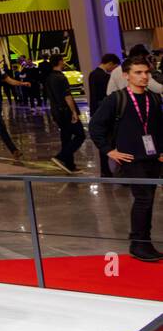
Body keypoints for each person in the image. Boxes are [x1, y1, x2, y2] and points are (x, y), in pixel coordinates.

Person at [89, 54, 163, 262]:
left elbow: (159, 128)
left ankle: (142, 241)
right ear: (126, 76)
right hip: (131, 158)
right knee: (143, 198)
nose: (144, 77)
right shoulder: (117, 99)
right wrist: (109, 151)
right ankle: (139, 244)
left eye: (146, 72)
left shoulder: (154, 98)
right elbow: (95, 126)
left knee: (147, 199)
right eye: (138, 73)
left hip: (153, 158)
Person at [46, 54, 85, 174]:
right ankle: (61, 156)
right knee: (80, 135)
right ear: (60, 62)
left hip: (56, 111)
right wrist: (73, 111)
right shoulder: (61, 77)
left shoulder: (49, 77)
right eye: (63, 61)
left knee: (66, 137)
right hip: (65, 111)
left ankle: (69, 165)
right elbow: (67, 96)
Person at [89, 53, 120, 177]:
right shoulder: (104, 76)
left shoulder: (93, 74)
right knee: (109, 140)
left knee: (105, 140)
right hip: (105, 113)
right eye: (114, 66)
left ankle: (105, 169)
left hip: (97, 111)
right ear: (110, 63)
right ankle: (107, 169)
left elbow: (93, 96)